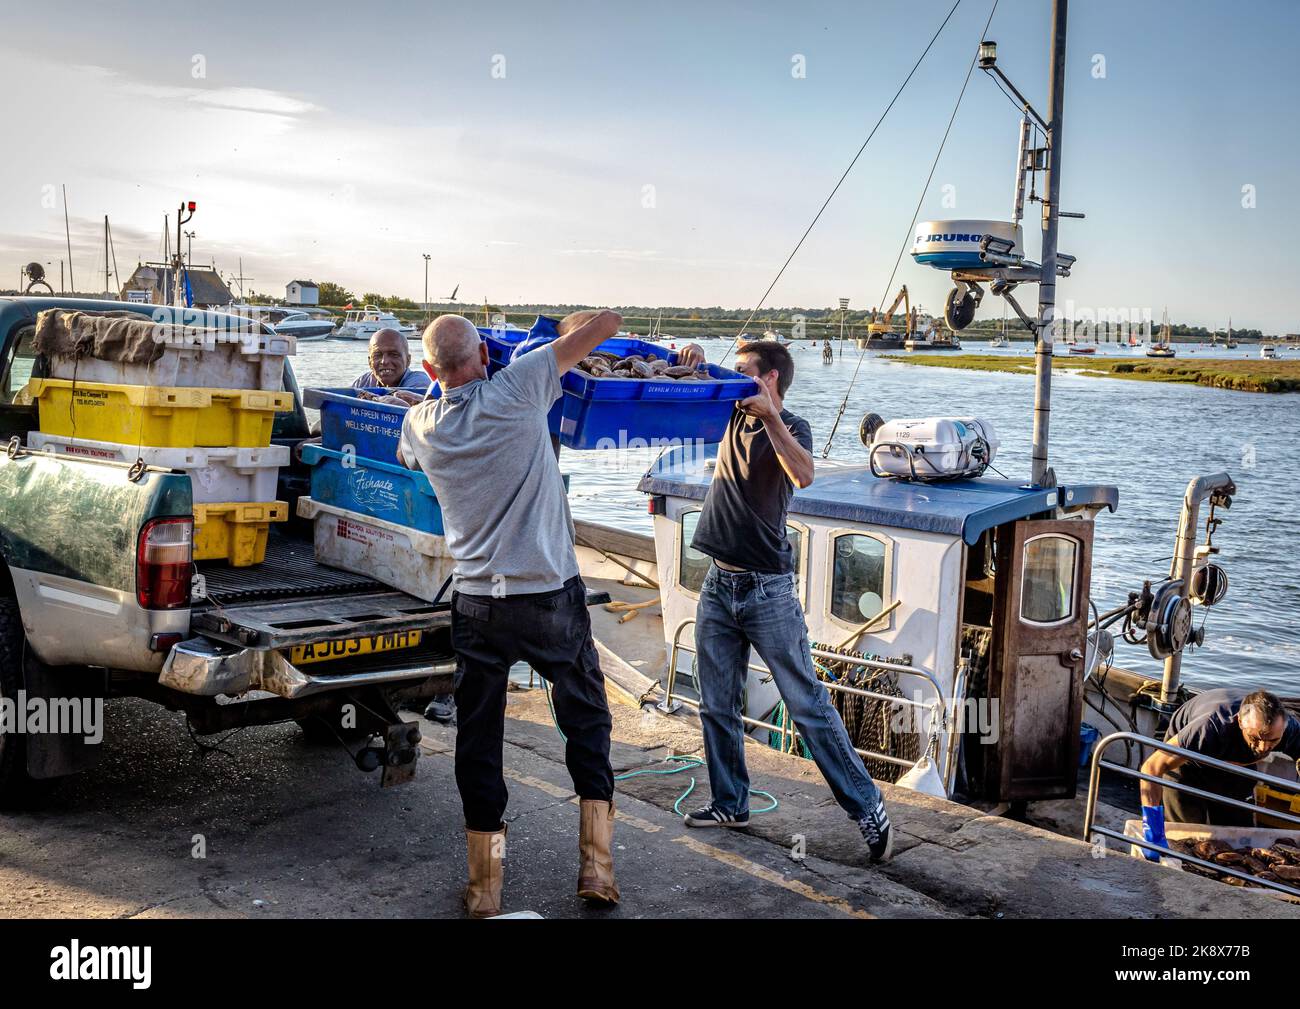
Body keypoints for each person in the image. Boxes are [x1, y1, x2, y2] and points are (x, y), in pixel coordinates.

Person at [396, 311, 626, 917]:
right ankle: (597, 870)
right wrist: (561, 330)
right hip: (549, 595)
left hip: (477, 604)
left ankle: (485, 888)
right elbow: (607, 324)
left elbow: (417, 432)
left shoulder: (421, 424)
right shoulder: (520, 385)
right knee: (586, 720)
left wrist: (440, 378)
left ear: (427, 370)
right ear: (485, 357)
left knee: (479, 739)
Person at [683, 340, 894, 862]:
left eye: (745, 373)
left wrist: (771, 415)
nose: (736, 381)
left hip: (766, 590)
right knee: (716, 704)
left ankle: (867, 806)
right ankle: (731, 802)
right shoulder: (729, 411)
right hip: (717, 583)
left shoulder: (792, 426)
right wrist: (688, 358)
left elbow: (803, 474)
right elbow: (689, 389)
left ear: (771, 378)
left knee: (806, 705)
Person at [1139, 688, 1300, 859]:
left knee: (1241, 841)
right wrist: (1152, 828)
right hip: (1188, 766)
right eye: (1256, 738)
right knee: (1188, 840)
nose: (1263, 748)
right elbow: (1151, 767)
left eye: (1273, 740)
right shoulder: (1209, 727)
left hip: (1238, 766)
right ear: (1240, 722)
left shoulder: (1290, 730)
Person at [352, 328, 430, 404]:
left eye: (394, 355)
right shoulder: (362, 382)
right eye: (377, 355)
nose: (384, 361)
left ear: (408, 360)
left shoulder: (419, 383)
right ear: (369, 361)